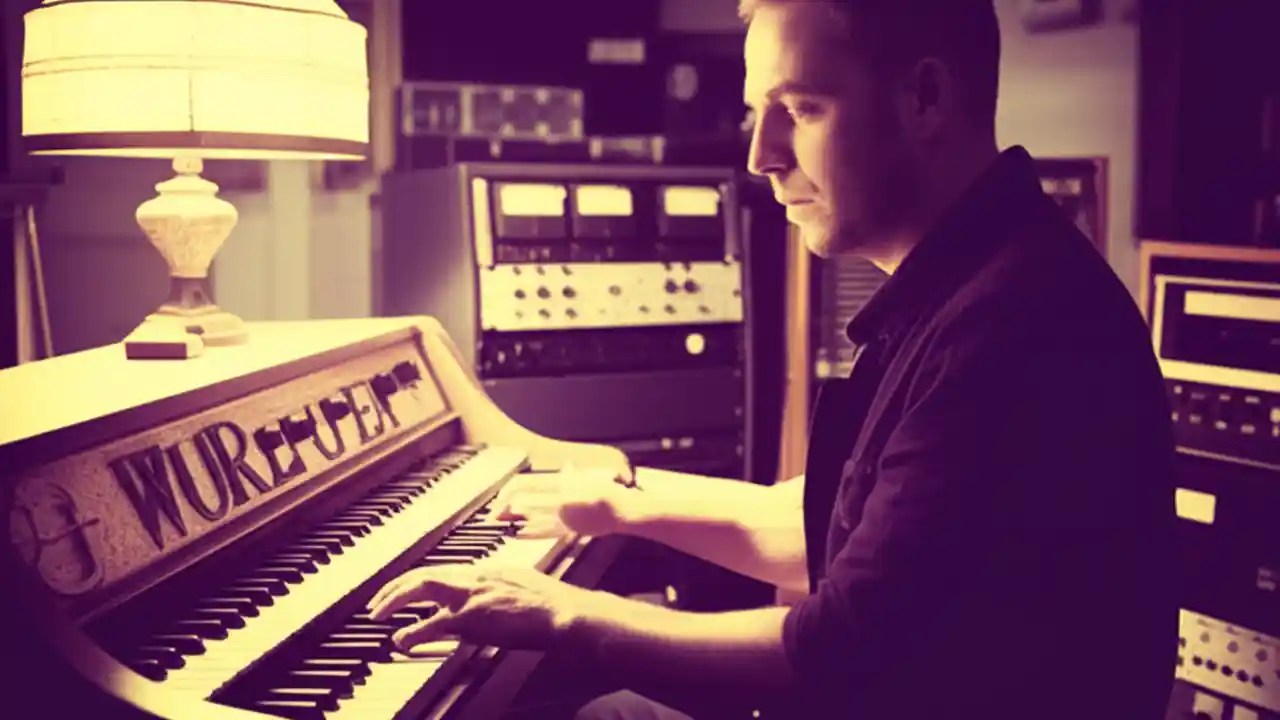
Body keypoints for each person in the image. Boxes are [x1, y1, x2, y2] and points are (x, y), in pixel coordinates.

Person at [368, 1, 1179, 717]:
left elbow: (831, 654)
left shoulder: (1013, 324)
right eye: (761, 110)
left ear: (926, 97)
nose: (762, 155)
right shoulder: (972, 278)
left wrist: (560, 613)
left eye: (802, 107)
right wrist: (623, 501)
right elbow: (842, 526)